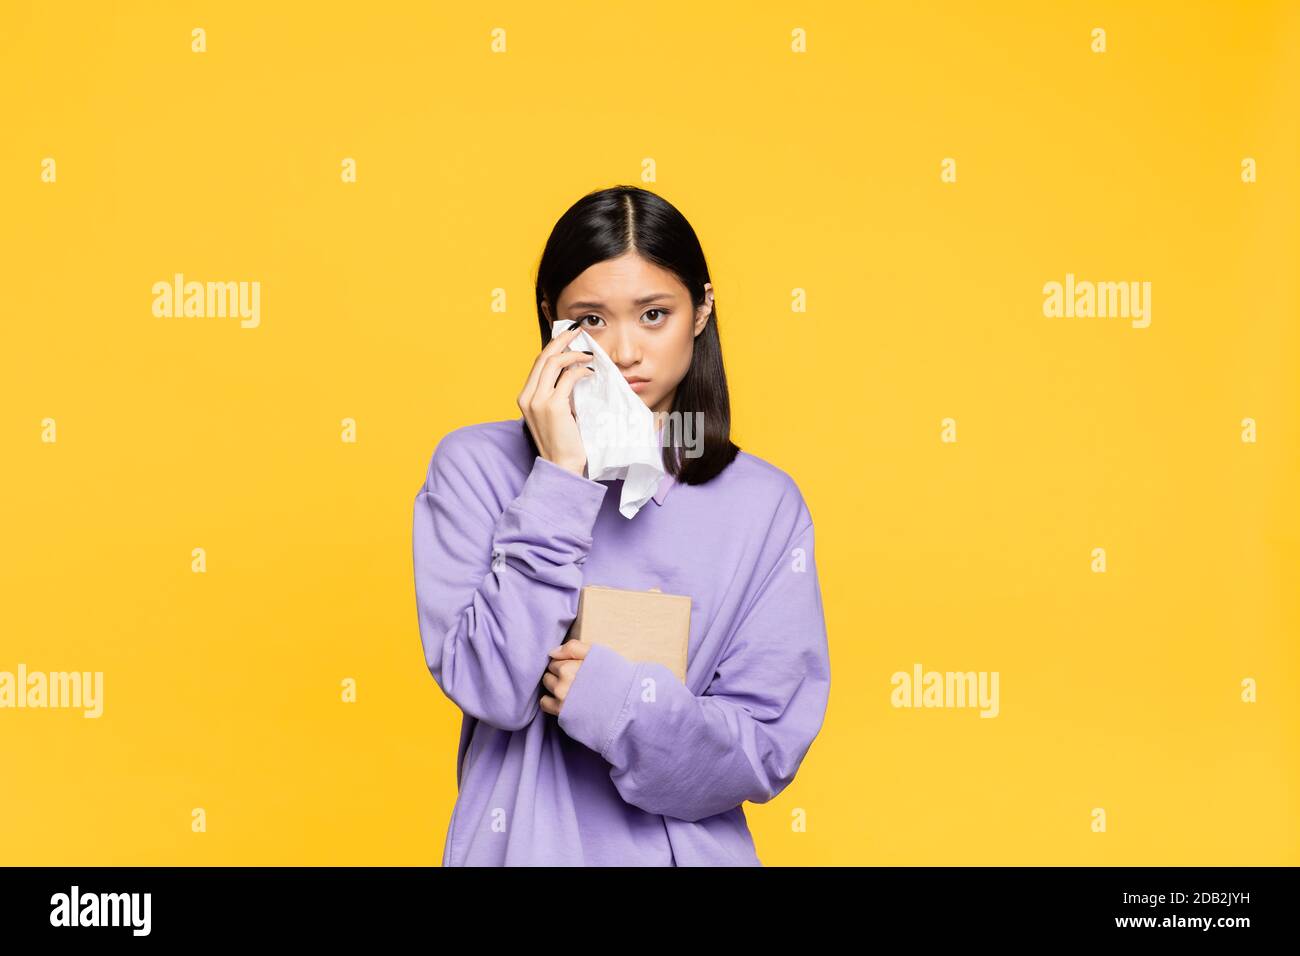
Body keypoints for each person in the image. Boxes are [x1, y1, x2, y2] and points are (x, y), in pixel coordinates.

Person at [411, 185, 831, 865]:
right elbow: (492, 686)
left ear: (702, 310)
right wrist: (560, 478)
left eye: (655, 314)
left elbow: (764, 750)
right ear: (553, 321)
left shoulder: (765, 504)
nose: (625, 351)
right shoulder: (475, 467)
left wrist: (617, 701)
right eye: (592, 321)